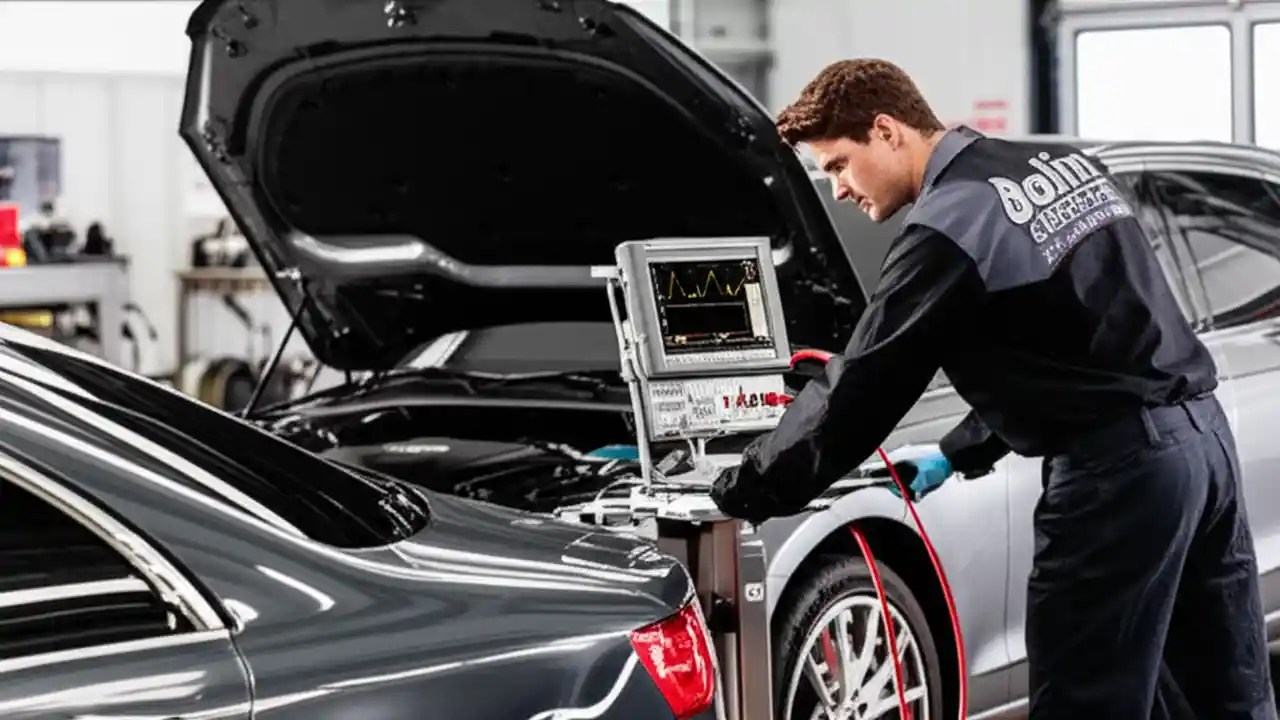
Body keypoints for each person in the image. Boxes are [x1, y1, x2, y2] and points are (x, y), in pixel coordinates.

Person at [709, 58, 1275, 719]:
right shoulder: (1061, 171)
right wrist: (960, 449)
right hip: (1202, 447)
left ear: (887, 131)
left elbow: (863, 386)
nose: (837, 190)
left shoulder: (951, 225)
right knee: (1226, 696)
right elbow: (1076, 340)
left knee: (1087, 701)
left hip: (1118, 477)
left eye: (838, 164)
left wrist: (741, 489)